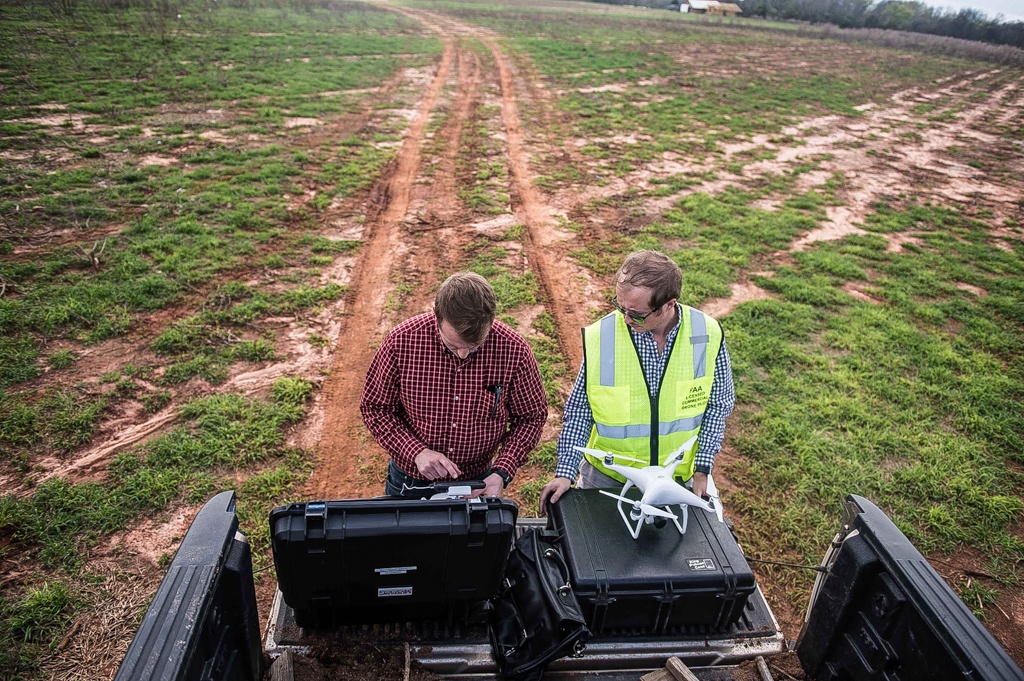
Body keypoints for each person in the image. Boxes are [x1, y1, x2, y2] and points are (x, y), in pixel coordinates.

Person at [539, 250, 735, 512]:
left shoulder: (706, 334)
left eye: (637, 313)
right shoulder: (603, 337)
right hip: (608, 478)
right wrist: (565, 472)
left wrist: (702, 468)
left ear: (668, 304)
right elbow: (580, 410)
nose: (626, 319)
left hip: (677, 478)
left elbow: (718, 405)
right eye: (621, 307)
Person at [361, 272, 548, 499]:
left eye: (474, 346)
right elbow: (376, 407)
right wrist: (416, 452)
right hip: (410, 481)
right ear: (437, 317)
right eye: (453, 345)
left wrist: (501, 472)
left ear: (490, 322)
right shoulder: (402, 341)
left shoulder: (514, 350)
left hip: (477, 481)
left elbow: (531, 418)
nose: (463, 355)